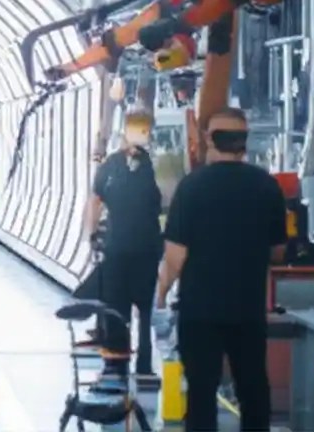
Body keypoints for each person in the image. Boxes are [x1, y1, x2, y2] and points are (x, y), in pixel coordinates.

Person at [154, 107, 287, 432]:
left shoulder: (191, 187)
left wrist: (160, 294)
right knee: (253, 388)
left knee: (201, 391)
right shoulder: (268, 188)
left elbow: (175, 257)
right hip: (248, 310)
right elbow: (278, 253)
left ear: (210, 140)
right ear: (244, 143)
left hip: (200, 312)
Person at [84, 110, 164, 379]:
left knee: (117, 306)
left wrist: (93, 235)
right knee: (143, 307)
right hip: (145, 246)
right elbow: (166, 200)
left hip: (121, 246)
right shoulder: (155, 164)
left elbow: (96, 201)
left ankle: (116, 365)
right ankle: (142, 365)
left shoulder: (111, 165)